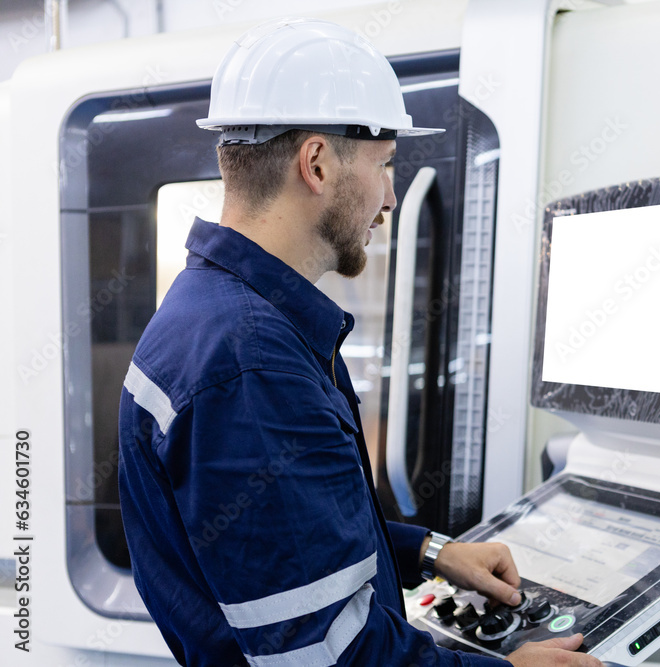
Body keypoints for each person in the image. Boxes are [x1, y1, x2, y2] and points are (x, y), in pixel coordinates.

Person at [117, 17, 601, 667]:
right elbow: (324, 656)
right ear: (316, 163)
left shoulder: (213, 310)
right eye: (385, 166)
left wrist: (429, 552)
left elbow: (289, 542)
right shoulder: (251, 364)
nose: (391, 197)